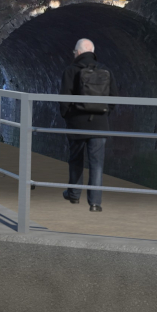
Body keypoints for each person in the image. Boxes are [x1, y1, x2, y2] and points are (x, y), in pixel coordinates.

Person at [59, 38, 118, 212]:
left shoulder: (71, 70)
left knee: (76, 160)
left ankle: (74, 195)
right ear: (92, 52)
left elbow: (64, 98)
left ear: (77, 53)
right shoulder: (105, 70)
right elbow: (114, 96)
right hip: (99, 124)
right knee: (97, 163)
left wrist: (67, 116)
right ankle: (94, 203)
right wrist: (105, 113)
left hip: (77, 122)